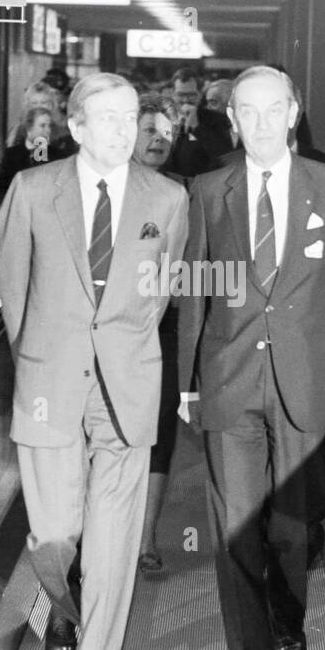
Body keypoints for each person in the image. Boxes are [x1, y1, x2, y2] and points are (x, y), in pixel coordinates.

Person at [178, 65, 325, 650]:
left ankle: (287, 615)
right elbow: (194, 292)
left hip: (307, 381)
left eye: (273, 111)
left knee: (293, 530)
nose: (261, 125)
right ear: (231, 120)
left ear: (292, 114)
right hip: (228, 384)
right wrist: (184, 383)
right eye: (247, 113)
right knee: (237, 533)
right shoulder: (209, 189)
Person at [0, 73, 188, 650]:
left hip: (127, 392)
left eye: (131, 117)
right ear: (74, 127)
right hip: (50, 384)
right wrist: (41, 365)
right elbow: (15, 298)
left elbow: (156, 297)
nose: (123, 130)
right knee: (53, 536)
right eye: (107, 118)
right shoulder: (31, 190)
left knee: (113, 550)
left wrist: (123, 354)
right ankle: (63, 609)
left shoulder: (168, 200)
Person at [129, 94, 184, 576]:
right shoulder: (108, 190)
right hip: (114, 333)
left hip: (166, 331)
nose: (158, 140)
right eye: (149, 130)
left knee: (160, 433)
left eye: (167, 132)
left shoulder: (186, 193)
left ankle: (145, 541)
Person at [0, 105, 54, 207]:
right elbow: (1, 189)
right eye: (42, 126)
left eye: (49, 126)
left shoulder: (57, 155)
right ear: (29, 129)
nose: (48, 130)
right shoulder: (12, 155)